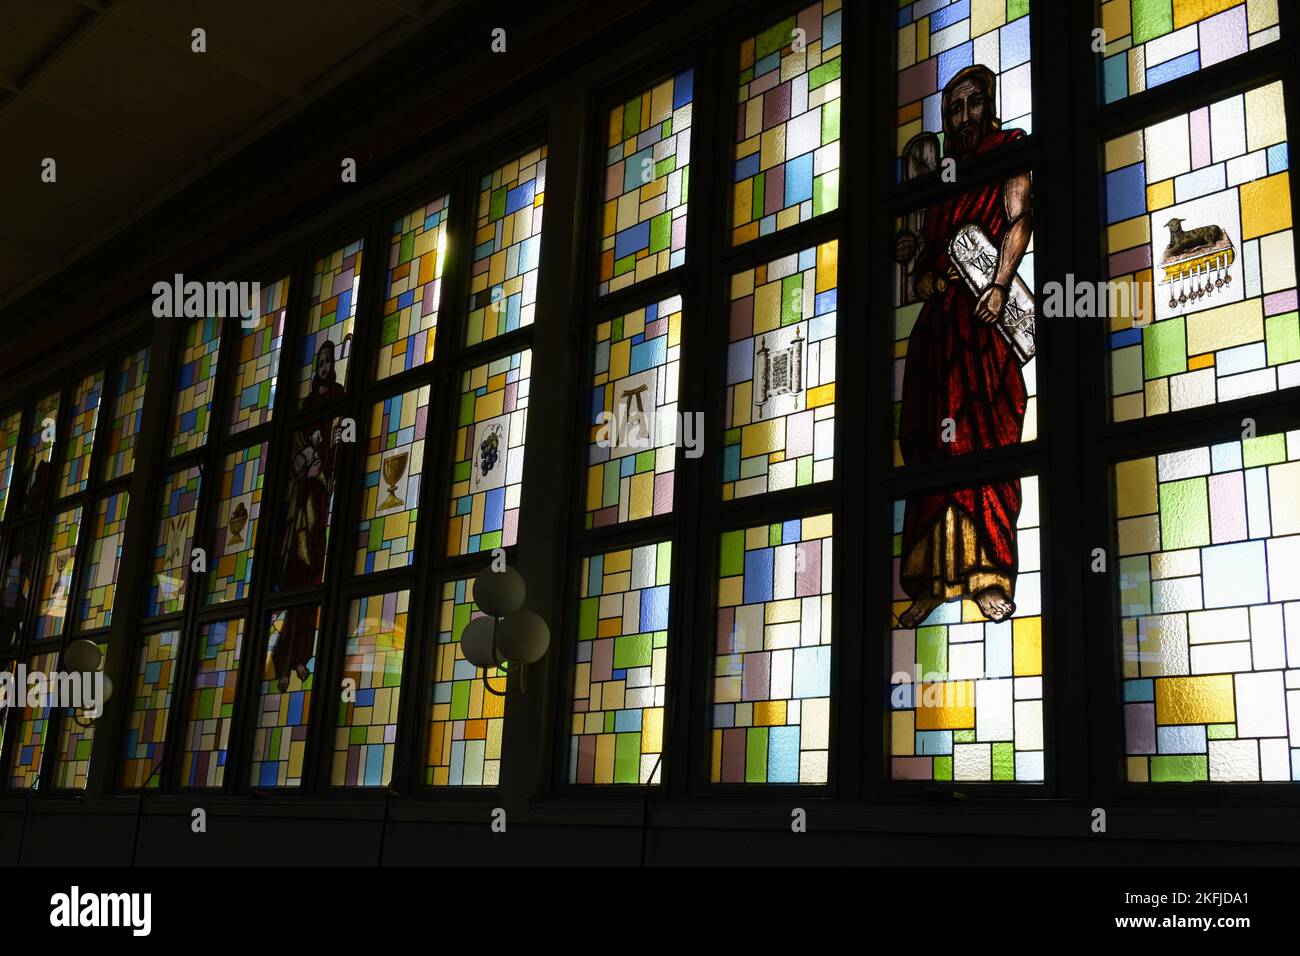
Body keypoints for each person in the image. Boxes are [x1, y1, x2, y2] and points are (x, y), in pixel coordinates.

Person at [894, 65, 1032, 629]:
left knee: (986, 442)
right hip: (939, 330)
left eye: (974, 104)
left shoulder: (1011, 149)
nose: (965, 115)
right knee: (928, 445)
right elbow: (925, 258)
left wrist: (999, 285)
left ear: (990, 106)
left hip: (985, 325)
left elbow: (1018, 220)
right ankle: (932, 580)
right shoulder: (941, 177)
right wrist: (915, 258)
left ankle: (992, 575)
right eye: (954, 108)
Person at [274, 340, 345, 689]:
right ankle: (284, 658)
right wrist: (306, 459)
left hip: (319, 497)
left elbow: (340, 444)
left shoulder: (338, 397)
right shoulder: (304, 405)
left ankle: (301, 657)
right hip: (299, 499)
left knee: (313, 578)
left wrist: (322, 467)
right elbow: (294, 451)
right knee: (293, 579)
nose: (324, 365)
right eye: (321, 360)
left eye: (329, 360)